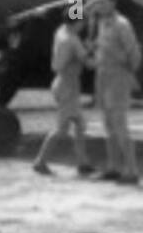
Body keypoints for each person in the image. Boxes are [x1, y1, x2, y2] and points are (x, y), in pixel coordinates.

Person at [32, 10, 97, 177]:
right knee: (62, 130)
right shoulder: (73, 40)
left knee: (80, 124)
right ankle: (40, 162)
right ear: (75, 23)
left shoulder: (61, 31)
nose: (83, 25)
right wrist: (98, 52)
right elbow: (89, 64)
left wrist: (87, 47)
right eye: (81, 22)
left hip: (64, 84)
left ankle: (83, 162)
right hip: (67, 87)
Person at [89, 0, 142, 185]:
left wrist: (129, 74)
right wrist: (90, 5)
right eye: (97, 2)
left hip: (118, 76)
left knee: (120, 126)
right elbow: (76, 14)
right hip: (102, 76)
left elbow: (134, 53)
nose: (98, 6)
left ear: (113, 3)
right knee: (108, 125)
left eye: (102, 2)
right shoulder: (101, 22)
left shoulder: (122, 25)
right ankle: (113, 167)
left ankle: (132, 171)